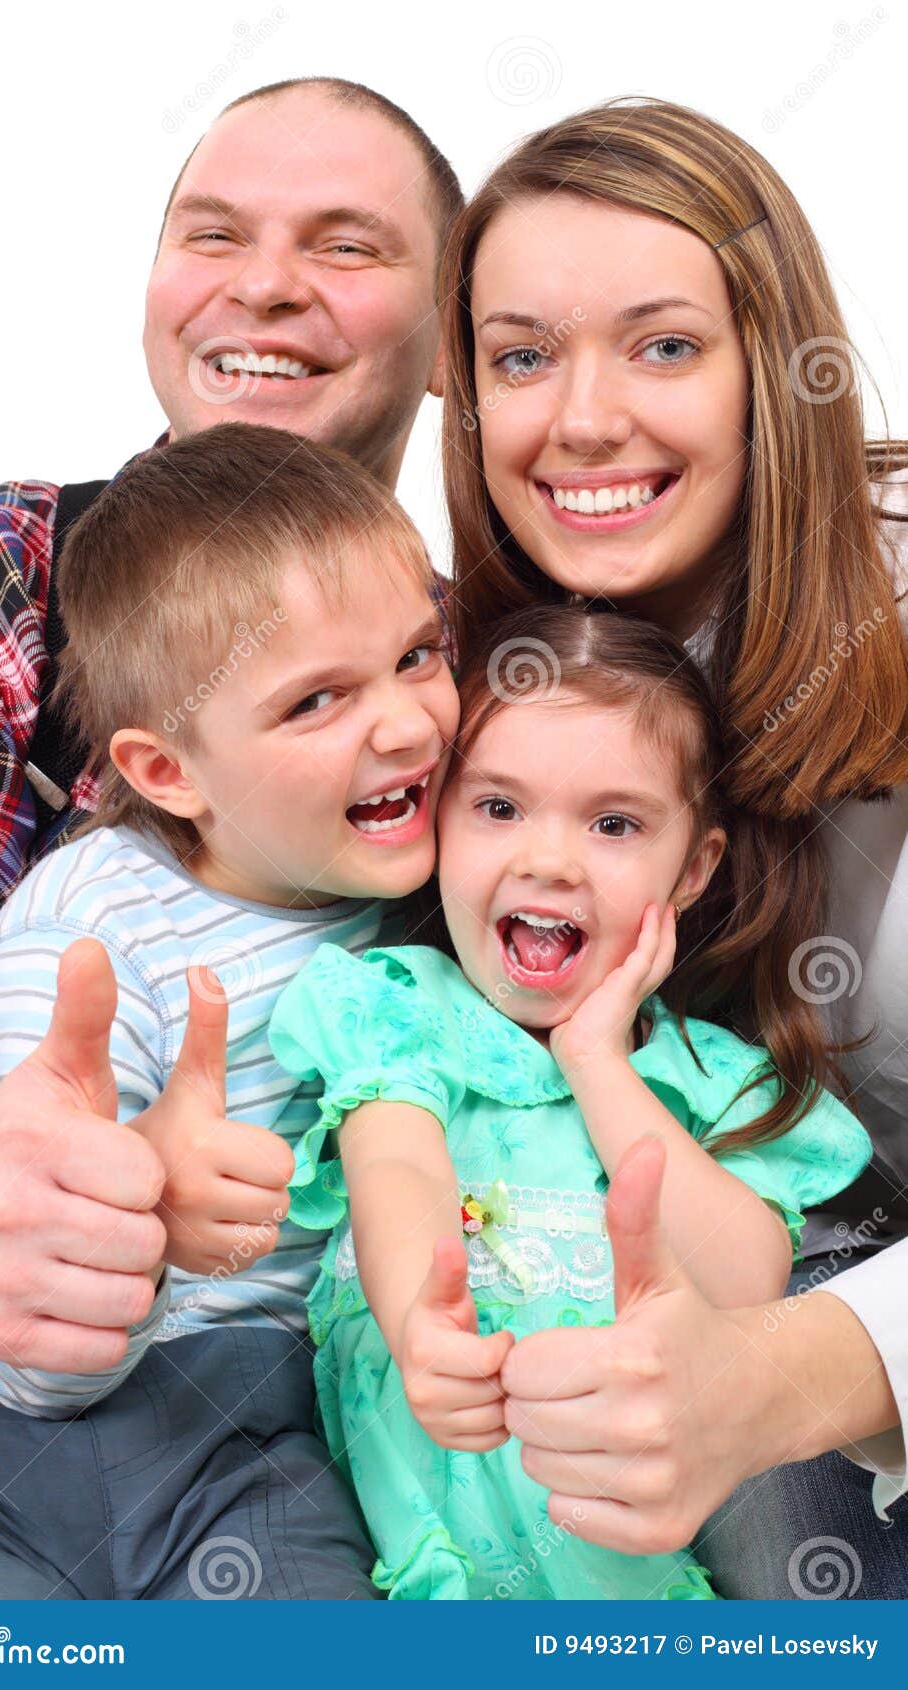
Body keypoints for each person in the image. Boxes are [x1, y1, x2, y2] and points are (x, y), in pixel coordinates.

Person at [0, 77, 461, 1598]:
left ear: (450, 335)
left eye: (345, 246)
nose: (264, 283)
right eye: (214, 232)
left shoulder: (475, 690)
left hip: (280, 1422)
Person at [435, 94, 908, 1595]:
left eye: (660, 344)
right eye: (519, 356)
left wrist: (770, 1379)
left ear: (771, 371)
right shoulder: (494, 690)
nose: (579, 419)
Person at [265, 603, 872, 1599]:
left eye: (613, 823)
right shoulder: (399, 1012)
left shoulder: (714, 1083)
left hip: (651, 1590)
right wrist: (424, 1322)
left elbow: (744, 1285)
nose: (547, 859)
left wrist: (599, 1059)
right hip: (431, 1578)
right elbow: (397, 1168)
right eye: (497, 807)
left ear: (692, 867)